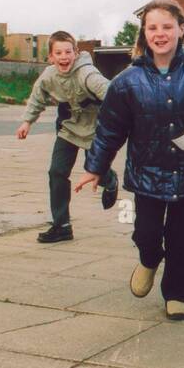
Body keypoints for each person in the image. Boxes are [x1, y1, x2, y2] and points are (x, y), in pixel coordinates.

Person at [75, 0, 184, 320]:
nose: (160, 33)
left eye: (167, 26)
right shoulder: (127, 81)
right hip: (147, 174)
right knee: (147, 232)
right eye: (152, 27)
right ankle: (149, 259)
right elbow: (110, 127)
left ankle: (177, 295)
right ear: (144, 33)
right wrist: (95, 168)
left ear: (181, 29)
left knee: (181, 238)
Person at [16, 31, 118, 243]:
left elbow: (110, 92)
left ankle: (110, 180)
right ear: (51, 57)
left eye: (68, 52)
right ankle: (62, 225)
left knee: (96, 168)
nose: (64, 57)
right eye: (58, 53)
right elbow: (37, 98)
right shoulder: (48, 75)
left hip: (94, 129)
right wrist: (27, 121)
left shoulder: (87, 73)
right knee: (57, 172)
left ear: (76, 53)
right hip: (68, 129)